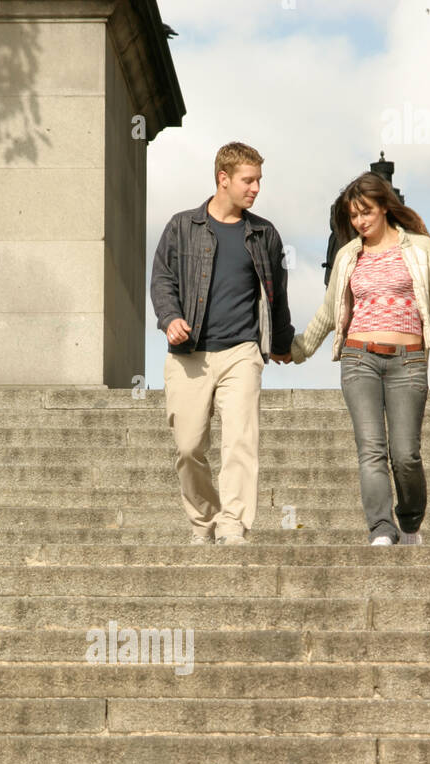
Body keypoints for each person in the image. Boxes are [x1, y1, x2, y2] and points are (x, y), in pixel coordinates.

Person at [288, 172, 430, 545]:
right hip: (359, 360)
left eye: (366, 213)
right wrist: (297, 349)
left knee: (405, 455)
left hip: (409, 361)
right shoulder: (347, 256)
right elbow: (329, 312)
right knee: (370, 450)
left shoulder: (420, 249)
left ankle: (409, 522)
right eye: (354, 216)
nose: (360, 222)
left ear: (385, 207)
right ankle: (381, 529)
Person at [150, 142, 294, 545]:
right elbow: (162, 279)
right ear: (223, 179)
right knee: (189, 447)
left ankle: (233, 525)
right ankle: (204, 521)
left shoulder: (264, 234)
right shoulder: (181, 226)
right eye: (248, 181)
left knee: (240, 442)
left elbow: (276, 295)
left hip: (241, 352)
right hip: (189, 353)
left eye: (259, 181)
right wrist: (170, 318)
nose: (255, 189)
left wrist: (280, 343)